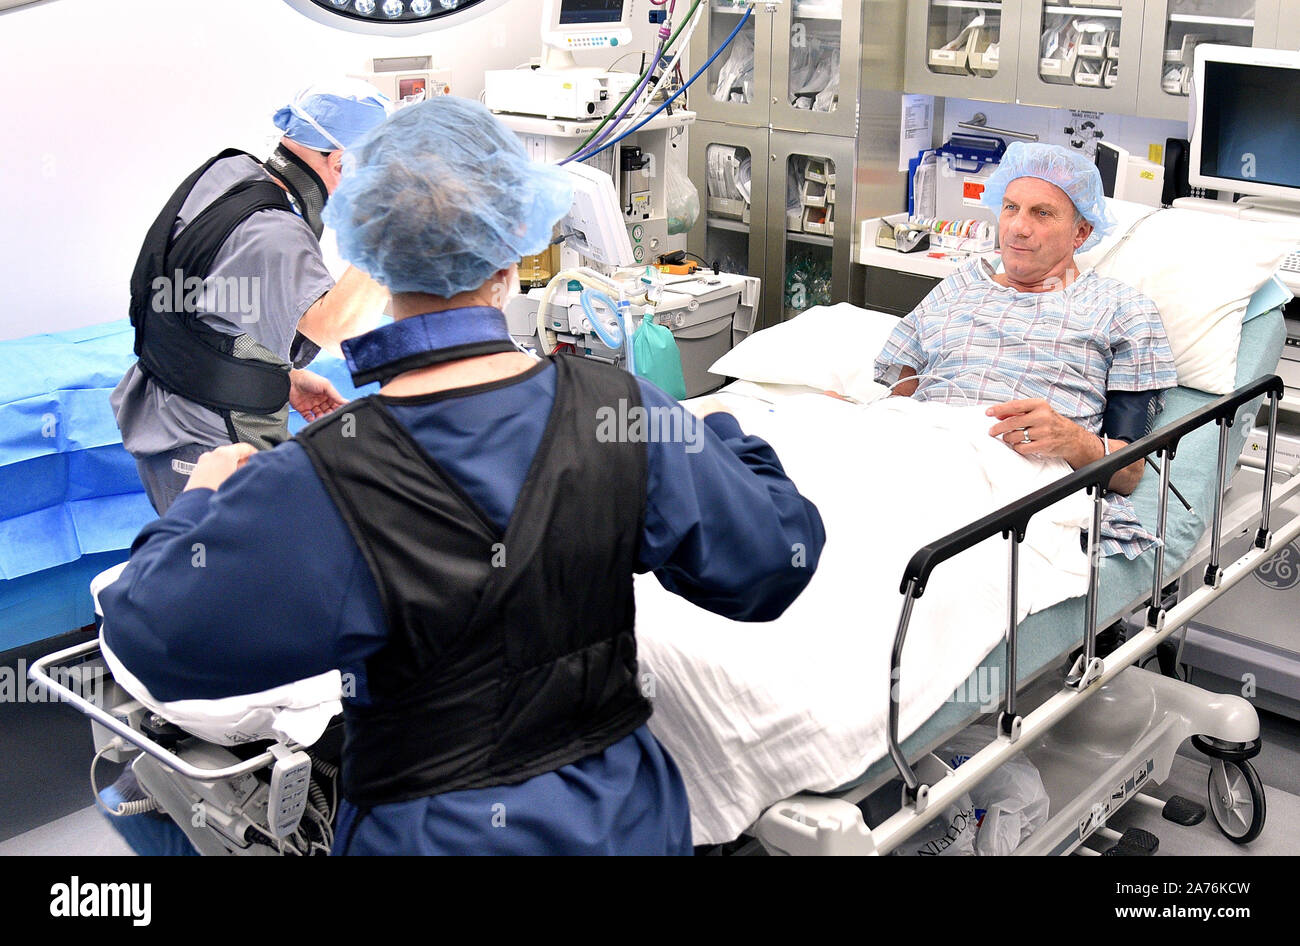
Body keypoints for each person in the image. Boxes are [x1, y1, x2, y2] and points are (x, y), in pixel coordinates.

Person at [97, 97, 827, 855]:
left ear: (373, 261)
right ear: (511, 257)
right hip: (620, 820)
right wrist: (711, 434)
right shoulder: (619, 413)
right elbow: (772, 565)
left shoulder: (322, 477)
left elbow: (152, 635)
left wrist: (203, 499)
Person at [874, 142, 1178, 557]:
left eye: (1042, 213)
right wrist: (866, 417)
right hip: (914, 451)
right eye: (1011, 207)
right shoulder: (961, 285)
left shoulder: (1122, 311)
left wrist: (1071, 439)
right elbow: (901, 396)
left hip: (1013, 474)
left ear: (1081, 232)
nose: (1017, 227)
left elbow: (1128, 471)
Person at [111, 79, 393, 515]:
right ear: (342, 163)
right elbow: (342, 330)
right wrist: (397, 224)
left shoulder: (232, 173)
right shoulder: (273, 231)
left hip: (171, 409)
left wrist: (279, 375)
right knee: (224, 570)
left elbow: (204, 300)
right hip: (208, 436)